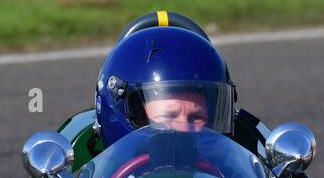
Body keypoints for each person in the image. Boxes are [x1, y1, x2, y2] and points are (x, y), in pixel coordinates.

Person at [94, 12, 237, 147]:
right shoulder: (98, 172)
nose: (184, 131)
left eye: (196, 117)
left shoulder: (233, 168)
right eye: (168, 117)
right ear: (135, 114)